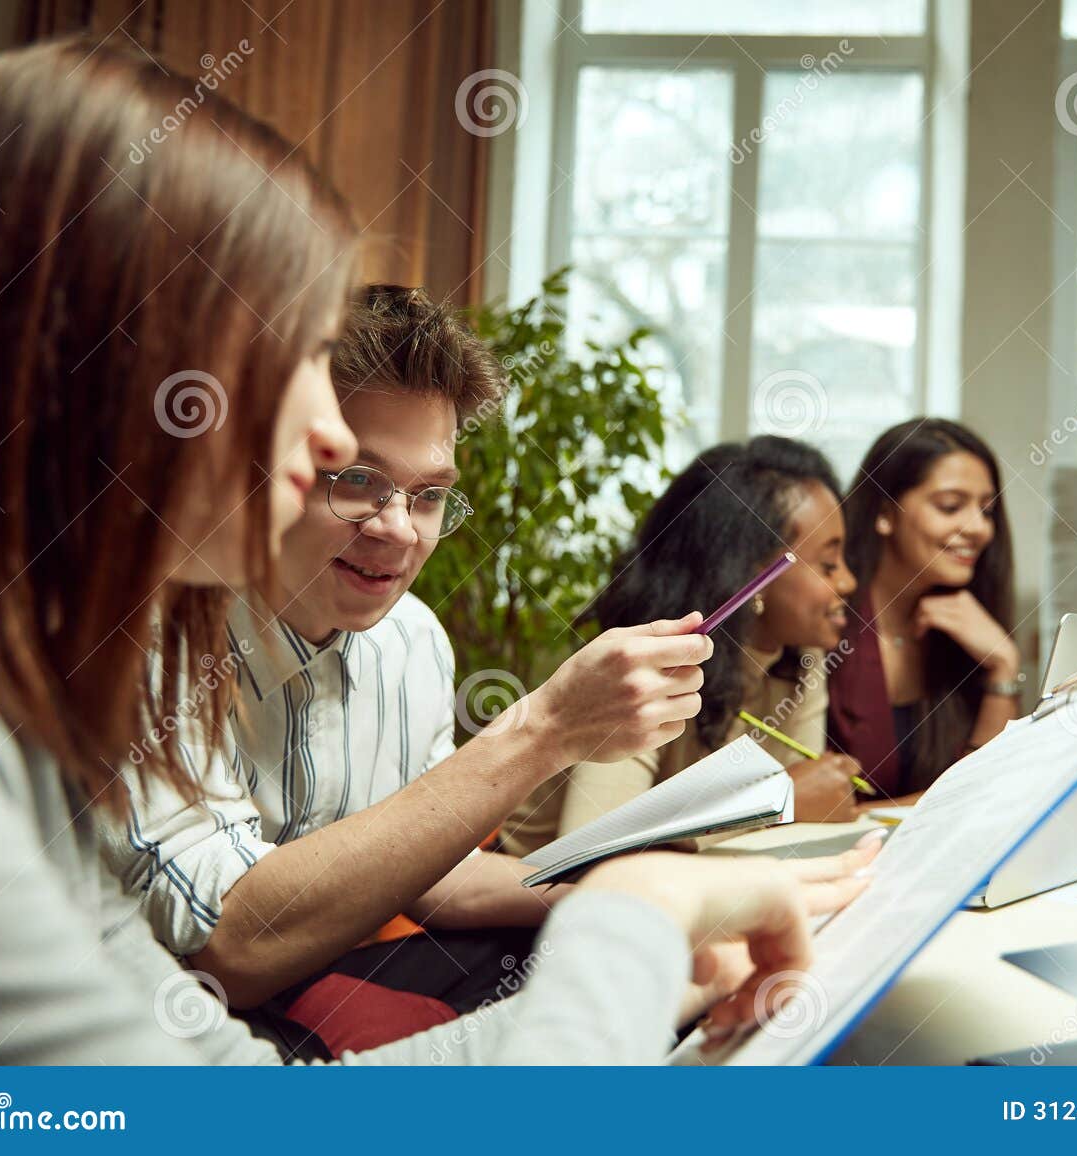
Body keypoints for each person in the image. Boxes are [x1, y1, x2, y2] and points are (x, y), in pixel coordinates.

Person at [0, 37, 878, 1065]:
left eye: (429, 492)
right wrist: (629, 918)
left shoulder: (11, 712)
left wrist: (650, 963)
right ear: (94, 368)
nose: (331, 439)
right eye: (286, 352)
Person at [101, 284, 712, 1054]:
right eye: (358, 479)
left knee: (624, 962)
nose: (398, 529)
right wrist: (543, 729)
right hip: (162, 1032)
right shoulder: (155, 639)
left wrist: (639, 892)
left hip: (328, 978)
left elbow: (431, 875)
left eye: (428, 497)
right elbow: (230, 948)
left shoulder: (413, 639)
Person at [501, 436, 864, 853]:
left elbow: (785, 834)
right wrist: (775, 801)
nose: (848, 582)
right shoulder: (641, 670)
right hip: (539, 905)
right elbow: (590, 850)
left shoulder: (800, 660)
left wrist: (784, 804)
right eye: (828, 564)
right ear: (751, 574)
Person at [829, 419, 1020, 806]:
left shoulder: (963, 631)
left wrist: (1004, 668)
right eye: (951, 506)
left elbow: (991, 793)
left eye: (987, 510)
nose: (979, 528)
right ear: (885, 512)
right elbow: (817, 806)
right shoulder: (826, 622)